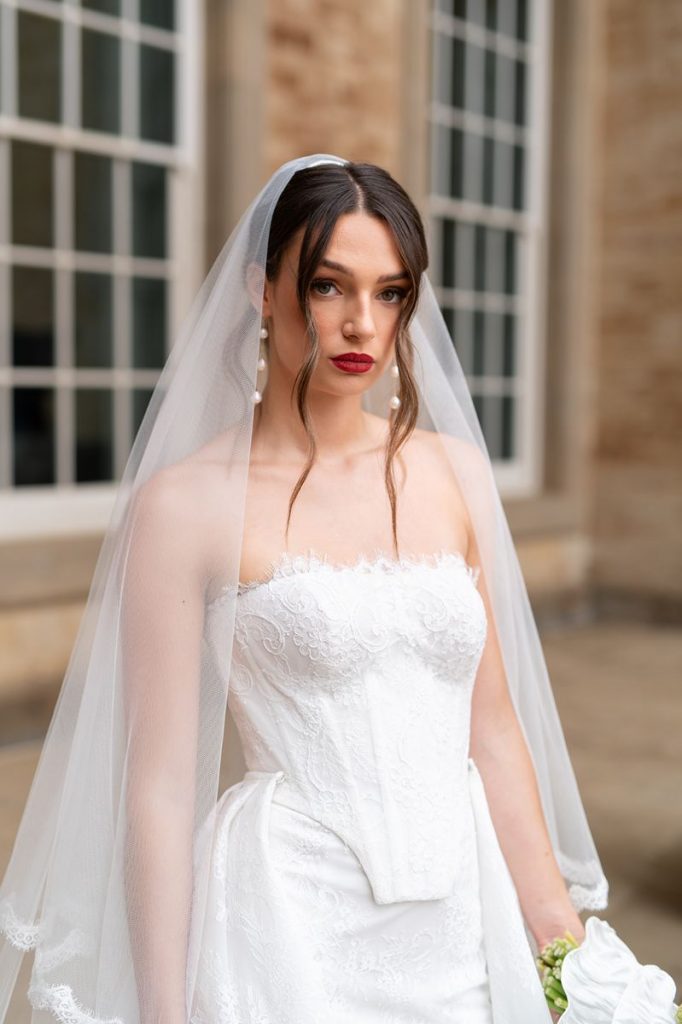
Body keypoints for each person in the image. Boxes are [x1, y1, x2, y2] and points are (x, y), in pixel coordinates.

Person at [0, 155, 608, 1024]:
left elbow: (496, 732)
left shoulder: (455, 476)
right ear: (262, 288)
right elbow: (161, 786)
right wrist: (166, 1015)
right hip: (288, 931)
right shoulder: (184, 505)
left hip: (463, 922)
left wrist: (562, 954)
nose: (362, 323)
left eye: (391, 293)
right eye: (329, 286)